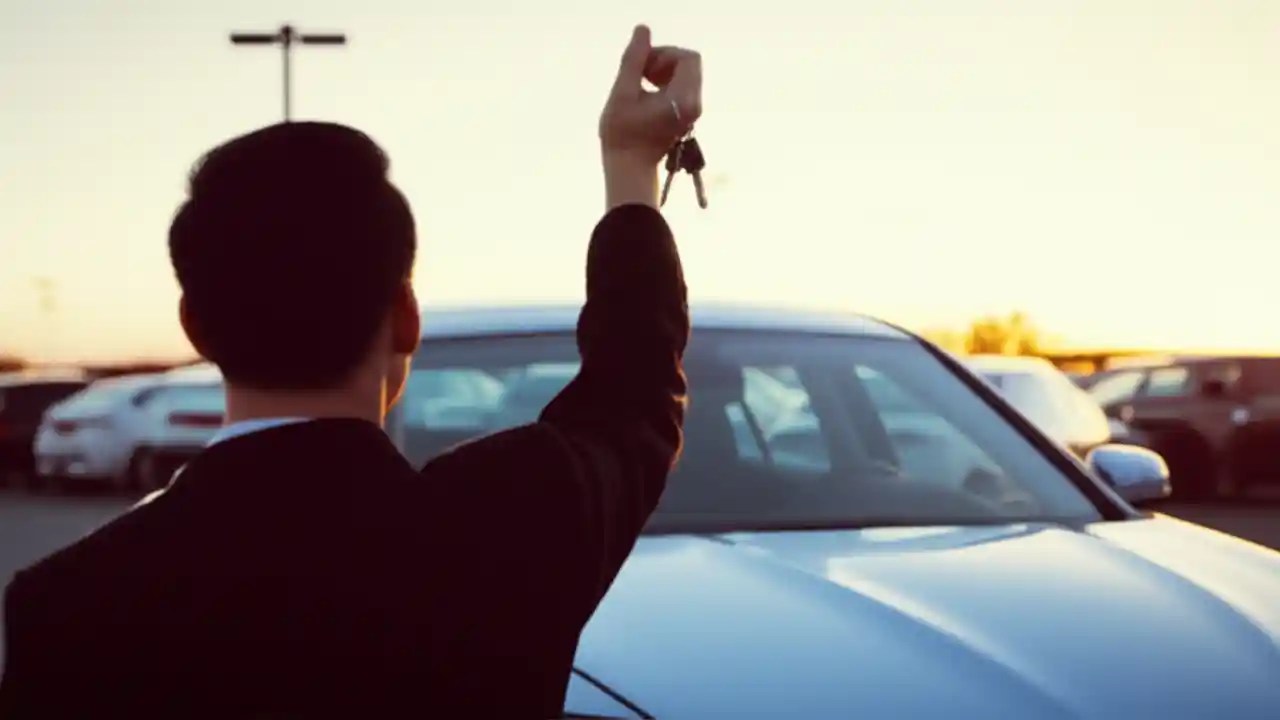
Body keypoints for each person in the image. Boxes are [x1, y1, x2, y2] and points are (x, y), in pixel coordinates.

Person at [0, 25, 698, 718]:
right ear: (406, 316)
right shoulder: (511, 521)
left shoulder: (67, 603)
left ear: (195, 328)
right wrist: (631, 159)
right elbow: (635, 388)